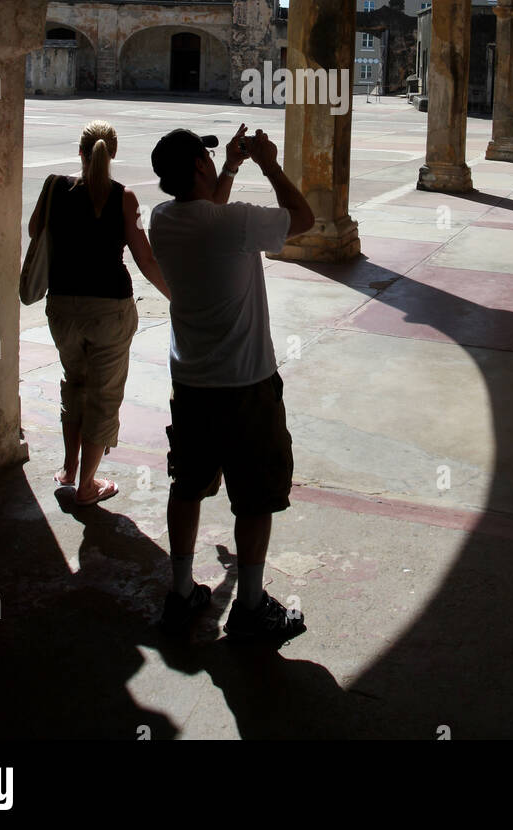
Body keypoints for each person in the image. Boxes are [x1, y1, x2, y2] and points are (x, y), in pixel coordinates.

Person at [148, 123, 315, 643]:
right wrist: (267, 162)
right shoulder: (235, 223)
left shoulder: (164, 219)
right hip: (245, 384)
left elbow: (208, 212)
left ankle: (180, 591)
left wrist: (228, 168)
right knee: (256, 496)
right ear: (198, 165)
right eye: (207, 155)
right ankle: (249, 605)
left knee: (188, 484)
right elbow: (306, 219)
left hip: (192, 382)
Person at [28, 119, 170, 506]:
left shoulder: (55, 187)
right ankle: (88, 485)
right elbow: (144, 258)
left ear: (80, 151)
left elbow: (33, 230)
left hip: (63, 306)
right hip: (110, 309)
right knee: (103, 397)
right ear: (114, 154)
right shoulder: (125, 198)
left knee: (74, 383)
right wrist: (176, 296)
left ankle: (69, 467)